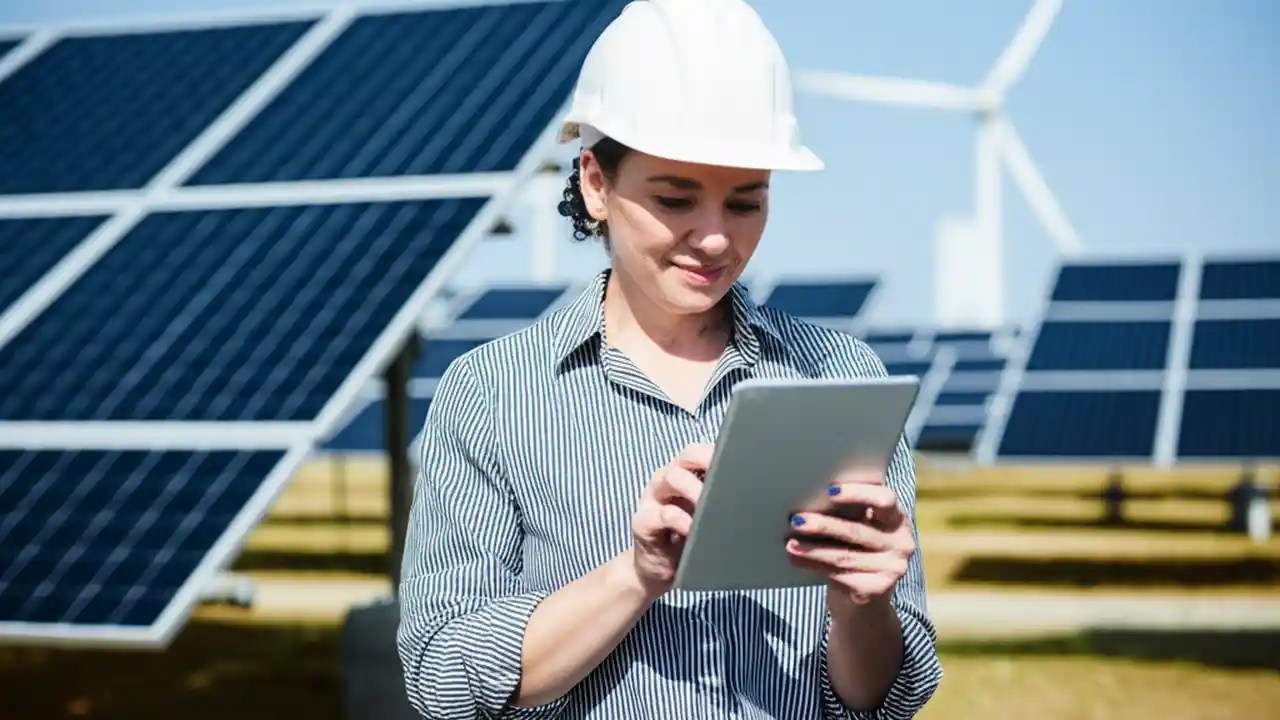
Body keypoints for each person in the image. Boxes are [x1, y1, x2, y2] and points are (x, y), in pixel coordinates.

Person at [396, 1, 943, 718]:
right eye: (676, 198)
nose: (714, 239)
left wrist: (862, 609)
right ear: (596, 182)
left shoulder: (843, 380)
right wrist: (637, 575)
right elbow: (444, 680)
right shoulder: (492, 394)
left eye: (746, 202)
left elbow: (884, 700)